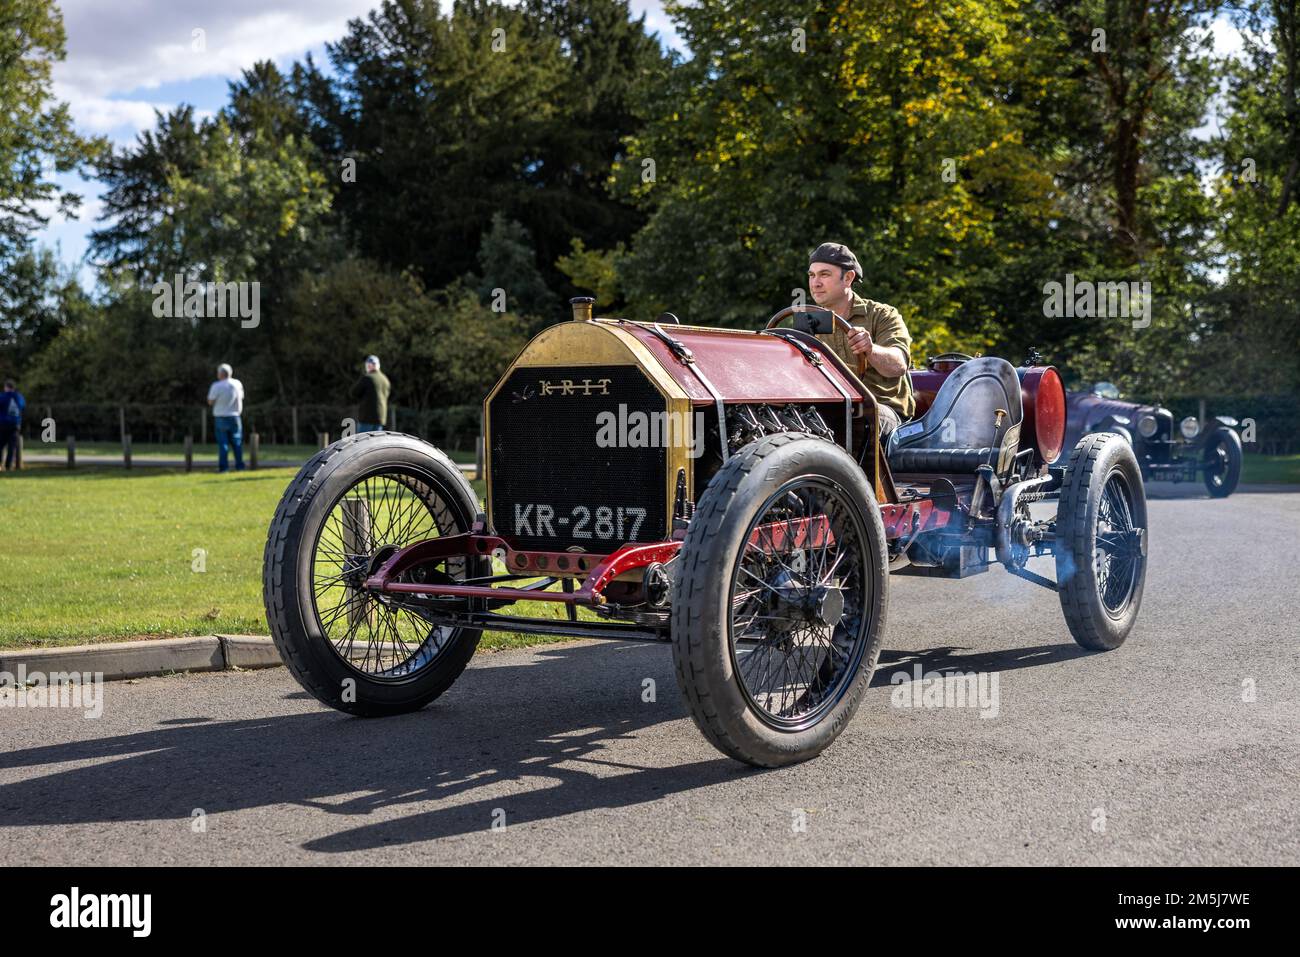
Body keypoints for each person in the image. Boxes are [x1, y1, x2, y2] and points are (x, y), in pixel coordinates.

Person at [806, 242, 915, 438]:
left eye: (824, 274)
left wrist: (870, 349)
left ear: (848, 278)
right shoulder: (807, 323)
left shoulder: (882, 314)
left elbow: (898, 365)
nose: (815, 283)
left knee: (850, 417)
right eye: (812, 275)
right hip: (827, 407)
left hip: (881, 410)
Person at [207, 363, 245, 472]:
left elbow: (210, 401)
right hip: (235, 417)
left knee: (223, 444)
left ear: (221, 373)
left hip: (221, 418)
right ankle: (240, 467)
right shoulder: (238, 383)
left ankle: (224, 468)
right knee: (237, 443)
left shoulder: (217, 386)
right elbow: (241, 397)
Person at [350, 355, 391, 433]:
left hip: (366, 418)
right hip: (380, 418)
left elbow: (353, 393)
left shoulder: (367, 378)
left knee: (362, 443)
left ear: (368, 366)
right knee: (376, 443)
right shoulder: (385, 380)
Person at [0, 378, 25, 471]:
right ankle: (8, 466)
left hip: (3, 425)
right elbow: (22, 407)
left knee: (0, 445)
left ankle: (0, 465)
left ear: (6, 387)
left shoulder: (2, 397)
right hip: (15, 425)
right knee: (12, 447)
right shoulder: (19, 397)